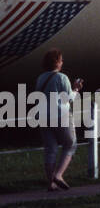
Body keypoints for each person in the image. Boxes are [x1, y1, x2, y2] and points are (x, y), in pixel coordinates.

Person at [34, 49, 82, 192]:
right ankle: (58, 175)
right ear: (57, 62)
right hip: (61, 116)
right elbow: (68, 98)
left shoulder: (41, 78)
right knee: (70, 144)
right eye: (61, 60)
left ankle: (51, 183)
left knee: (50, 149)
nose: (62, 62)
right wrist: (76, 89)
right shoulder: (62, 78)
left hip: (43, 117)